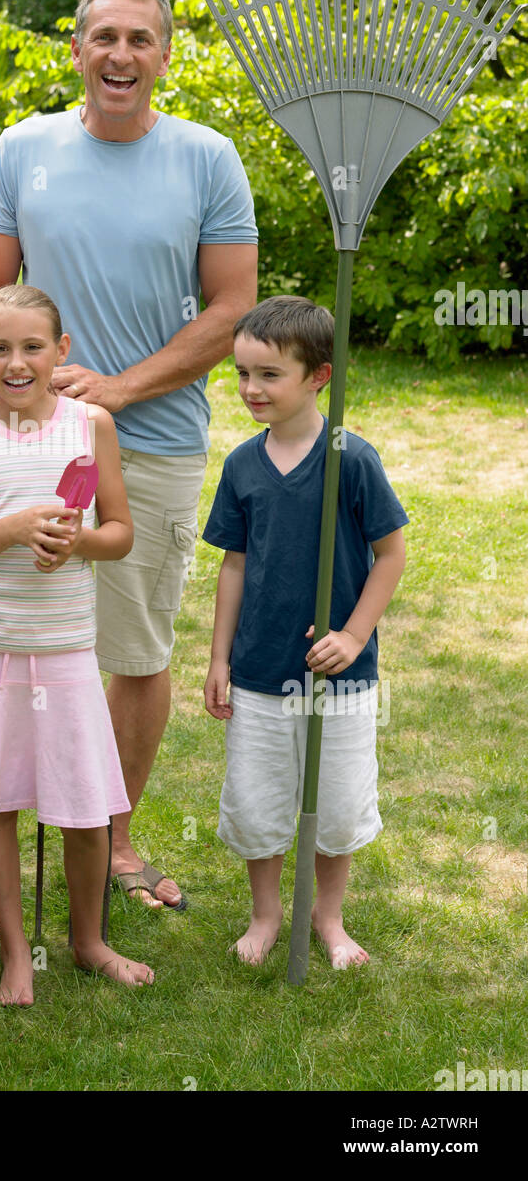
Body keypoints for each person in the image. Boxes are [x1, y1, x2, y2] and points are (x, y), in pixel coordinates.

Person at [0, 0, 259, 909]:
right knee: (21, 637)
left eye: (139, 39)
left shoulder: (207, 158)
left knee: (134, 651)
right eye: (103, 38)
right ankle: (17, 821)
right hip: (27, 445)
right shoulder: (23, 151)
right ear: (76, 50)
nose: (120, 56)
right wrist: (18, 392)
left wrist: (118, 390)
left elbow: (232, 308)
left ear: (165, 54)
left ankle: (118, 838)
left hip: (158, 444)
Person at [0, 285, 153, 1004]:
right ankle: (16, 951)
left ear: (61, 352)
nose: (16, 363)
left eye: (31, 348)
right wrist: (12, 530)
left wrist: (77, 540)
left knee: (84, 806)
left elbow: (119, 534)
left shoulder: (91, 425)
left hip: (63, 649)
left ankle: (88, 941)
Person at [202, 296, 408, 968]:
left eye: (268, 375)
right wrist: (218, 659)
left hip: (336, 675)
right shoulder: (239, 465)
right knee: (258, 801)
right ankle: (265, 916)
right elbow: (233, 566)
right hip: (259, 666)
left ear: (318, 376)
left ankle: (328, 918)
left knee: (337, 802)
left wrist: (351, 635)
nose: (250, 389)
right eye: (241, 374)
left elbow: (390, 553)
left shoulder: (351, 459)